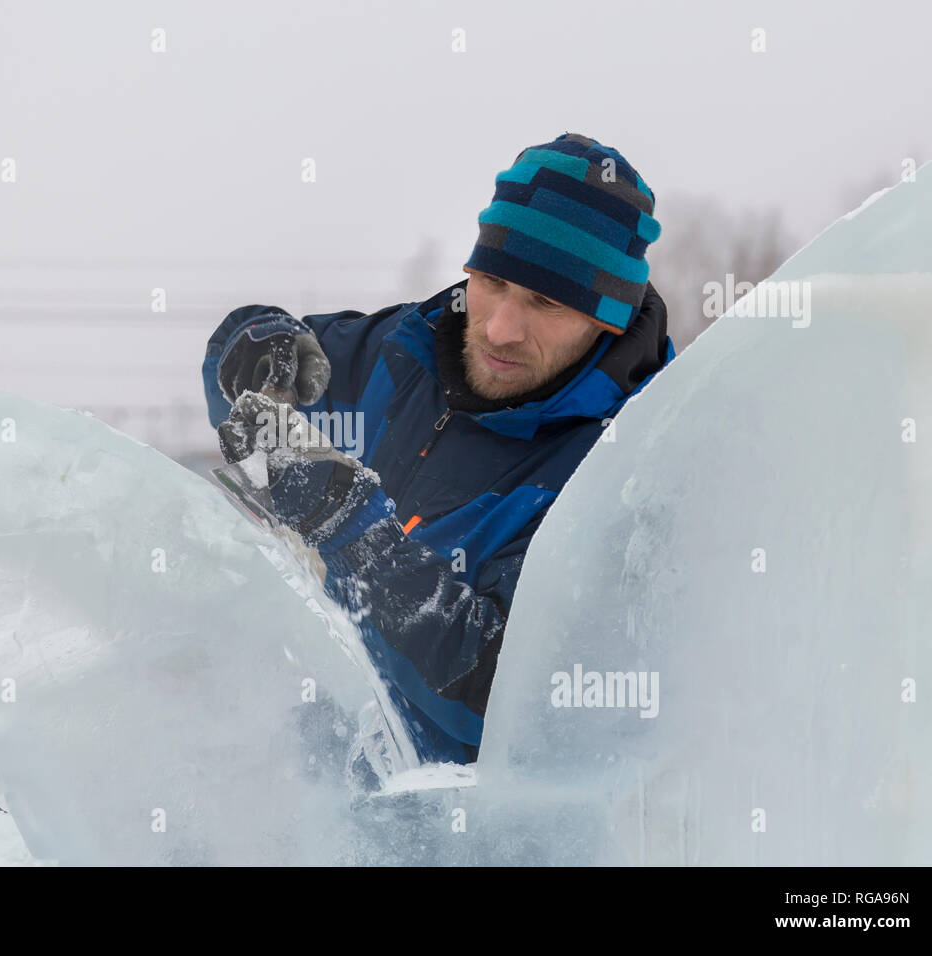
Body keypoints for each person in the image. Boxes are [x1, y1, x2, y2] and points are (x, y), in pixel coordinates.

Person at [201, 132, 675, 764]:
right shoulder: (405, 353)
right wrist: (251, 341)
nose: (501, 329)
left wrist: (354, 534)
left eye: (547, 302)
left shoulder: (623, 474)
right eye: (494, 282)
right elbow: (238, 385)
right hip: (291, 784)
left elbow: (506, 703)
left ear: (607, 321)